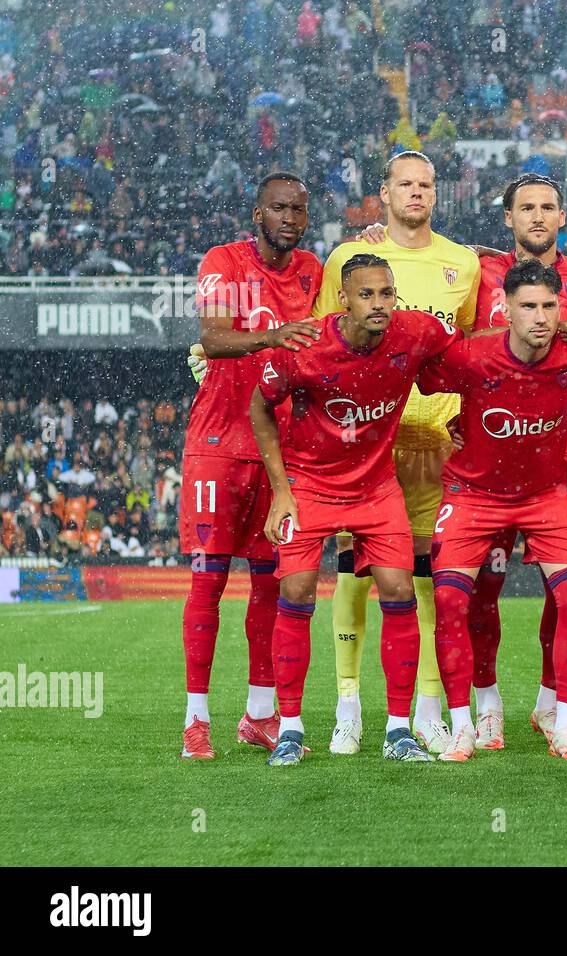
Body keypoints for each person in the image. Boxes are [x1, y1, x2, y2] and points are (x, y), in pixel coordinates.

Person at [251, 253, 462, 766]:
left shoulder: (415, 333)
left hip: (375, 487)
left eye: (386, 294)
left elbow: (470, 357)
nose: (378, 304)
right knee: (297, 590)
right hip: (309, 485)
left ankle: (398, 729)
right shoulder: (305, 348)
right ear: (343, 297)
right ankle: (292, 729)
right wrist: (280, 489)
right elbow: (260, 405)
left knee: (398, 588)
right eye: (366, 294)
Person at [313, 151, 480, 756]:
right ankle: (348, 705)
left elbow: (463, 350)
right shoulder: (350, 260)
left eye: (426, 184)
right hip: (364, 445)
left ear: (438, 194)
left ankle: (426, 710)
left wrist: (462, 415)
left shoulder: (462, 263)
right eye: (405, 184)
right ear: (382, 193)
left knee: (428, 581)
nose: (417, 193)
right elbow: (324, 345)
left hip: (435, 444)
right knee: (355, 578)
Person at [418, 260, 567, 761]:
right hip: (473, 496)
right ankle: (465, 724)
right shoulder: (471, 356)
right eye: (528, 306)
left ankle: (564, 725)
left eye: (549, 305)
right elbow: (417, 372)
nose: (540, 316)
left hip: (546, 497)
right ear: (506, 308)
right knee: (453, 603)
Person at [178, 173, 323, 761]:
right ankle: (196, 719)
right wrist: (277, 335)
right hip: (219, 439)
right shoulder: (224, 261)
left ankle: (260, 715)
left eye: (299, 210)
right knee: (209, 578)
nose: (290, 217)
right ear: (257, 211)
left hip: (281, 453)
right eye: (280, 208)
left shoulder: (314, 270)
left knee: (272, 583)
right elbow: (211, 338)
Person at [466, 173, 567, 749]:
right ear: (508, 218)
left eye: (548, 207)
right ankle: (486, 701)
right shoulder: (476, 272)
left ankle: (552, 702)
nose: (536, 217)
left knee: (566, 587)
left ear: (562, 217)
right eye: (525, 207)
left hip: (559, 452)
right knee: (482, 586)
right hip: (486, 451)